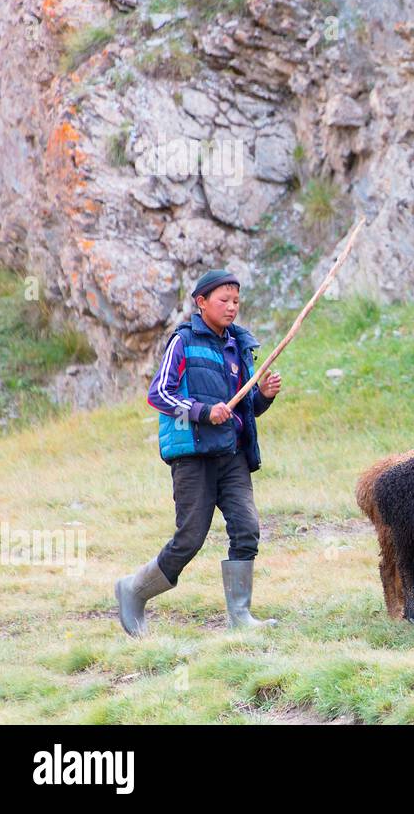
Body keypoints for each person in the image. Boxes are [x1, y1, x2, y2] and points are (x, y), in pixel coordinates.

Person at [114, 269, 282, 636]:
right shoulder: (183, 341)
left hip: (232, 454)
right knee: (190, 537)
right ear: (201, 302)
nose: (232, 308)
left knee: (247, 528)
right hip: (194, 454)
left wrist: (263, 395)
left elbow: (244, 408)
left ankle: (241, 619)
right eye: (224, 300)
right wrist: (204, 411)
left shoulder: (238, 345)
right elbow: (159, 393)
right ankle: (134, 589)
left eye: (236, 301)